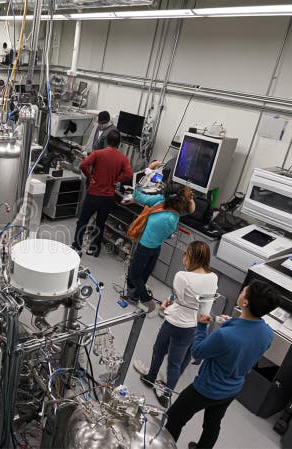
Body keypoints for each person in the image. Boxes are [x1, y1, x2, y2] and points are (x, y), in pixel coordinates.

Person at [164, 280, 279, 449]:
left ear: (245, 302)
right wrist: (232, 322)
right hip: (232, 389)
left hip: (207, 388)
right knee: (212, 424)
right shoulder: (267, 333)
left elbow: (197, 351)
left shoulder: (225, 336)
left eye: (243, 291)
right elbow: (246, 341)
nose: (241, 292)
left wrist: (202, 327)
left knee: (174, 417)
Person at [132, 241, 218, 407]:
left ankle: (151, 379)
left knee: (159, 349)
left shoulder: (182, 276)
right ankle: (167, 393)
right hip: (193, 327)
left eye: (186, 254)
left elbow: (176, 297)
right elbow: (203, 309)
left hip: (174, 323)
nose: (184, 258)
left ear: (192, 257)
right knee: (177, 363)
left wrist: (166, 305)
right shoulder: (213, 277)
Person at [126, 170, 195, 314]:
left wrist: (147, 175)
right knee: (144, 274)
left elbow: (137, 195)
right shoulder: (176, 214)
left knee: (134, 275)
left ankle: (146, 300)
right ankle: (134, 296)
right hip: (156, 248)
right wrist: (190, 197)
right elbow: (191, 210)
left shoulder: (158, 201)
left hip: (144, 247)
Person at [72, 130, 132, 256]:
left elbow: (83, 165)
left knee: (83, 221)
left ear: (107, 141)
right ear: (119, 143)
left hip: (93, 194)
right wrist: (117, 179)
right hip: (108, 197)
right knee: (100, 223)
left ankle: (77, 246)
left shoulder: (98, 154)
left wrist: (90, 177)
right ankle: (94, 249)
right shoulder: (123, 158)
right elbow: (129, 174)